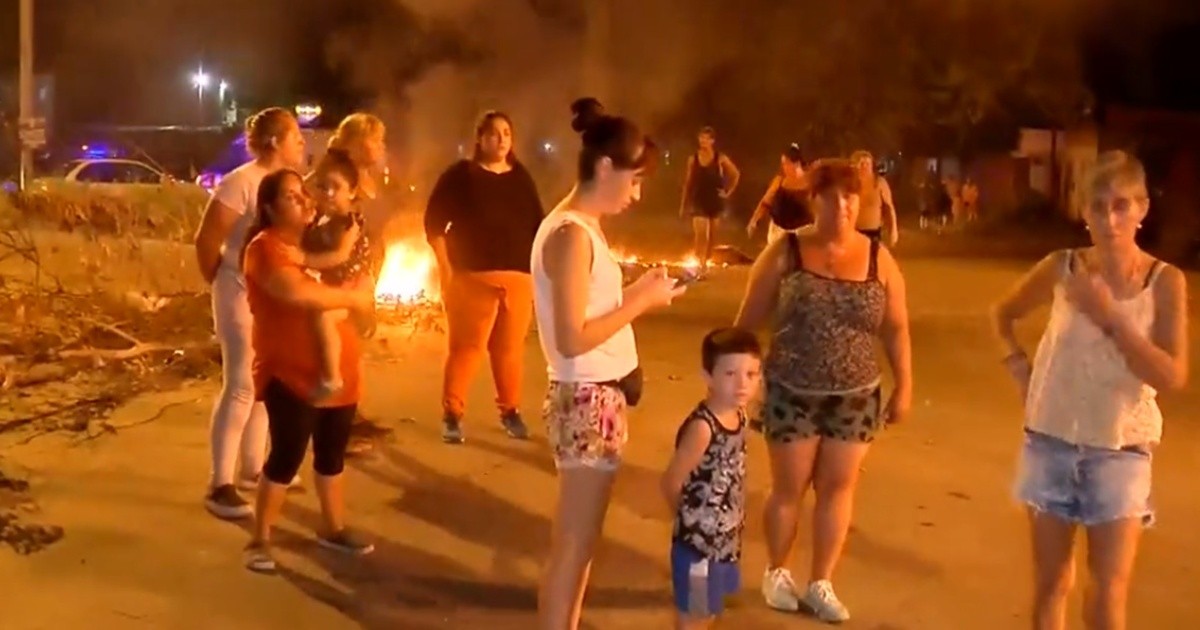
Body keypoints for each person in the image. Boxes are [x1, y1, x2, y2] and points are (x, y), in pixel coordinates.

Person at [990, 150, 1189, 630]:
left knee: (1108, 592)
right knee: (1051, 583)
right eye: (1098, 206)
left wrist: (1110, 318)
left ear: (1142, 208)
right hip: (1050, 440)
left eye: (1122, 205)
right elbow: (1002, 315)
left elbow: (1171, 376)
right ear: (1083, 212)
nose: (1109, 218)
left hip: (1119, 450)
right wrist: (1018, 367)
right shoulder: (1062, 268)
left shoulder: (1164, 282)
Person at [733, 158, 912, 622]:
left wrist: (904, 386)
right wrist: (740, 382)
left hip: (855, 394)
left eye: (852, 196)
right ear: (813, 200)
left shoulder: (878, 258)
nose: (843, 206)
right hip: (792, 388)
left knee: (838, 488)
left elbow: (896, 328)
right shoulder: (786, 252)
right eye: (831, 196)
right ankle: (777, 572)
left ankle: (821, 581)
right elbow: (747, 322)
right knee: (789, 488)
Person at [533, 97, 685, 630]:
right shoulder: (571, 234)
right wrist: (642, 299)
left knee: (581, 546)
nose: (637, 193)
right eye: (635, 179)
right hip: (586, 399)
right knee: (574, 547)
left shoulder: (580, 228)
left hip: (595, 399)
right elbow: (572, 338)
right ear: (604, 168)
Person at [239, 169, 377, 573]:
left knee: (332, 455)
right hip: (291, 373)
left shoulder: (319, 238)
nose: (302, 200)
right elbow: (297, 293)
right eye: (290, 196)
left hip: (341, 371)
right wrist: (352, 299)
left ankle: (333, 529)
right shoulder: (265, 248)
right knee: (286, 455)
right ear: (269, 207)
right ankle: (260, 538)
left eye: (303, 193)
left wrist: (359, 296)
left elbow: (362, 275)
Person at [193, 108, 306, 519]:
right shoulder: (240, 183)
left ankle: (253, 469)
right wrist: (223, 282)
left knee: (265, 381)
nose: (302, 143)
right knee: (241, 383)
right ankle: (219, 484)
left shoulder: (288, 185)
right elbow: (207, 240)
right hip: (238, 291)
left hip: (269, 297)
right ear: (274, 141)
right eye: (296, 136)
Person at [424, 110, 546, 444]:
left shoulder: (521, 178)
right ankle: (452, 413)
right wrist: (445, 265)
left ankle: (510, 411)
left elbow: (539, 225)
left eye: (507, 132)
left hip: (518, 280)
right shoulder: (461, 176)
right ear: (480, 138)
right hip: (473, 277)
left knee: (509, 351)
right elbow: (435, 223)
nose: (501, 139)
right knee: (467, 348)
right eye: (493, 133)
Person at [660, 328, 762, 630]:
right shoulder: (703, 428)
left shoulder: (739, 415)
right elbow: (671, 481)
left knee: (710, 611)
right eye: (730, 373)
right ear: (707, 376)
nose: (742, 383)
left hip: (725, 541)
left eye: (751, 374)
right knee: (694, 615)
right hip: (699, 545)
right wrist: (692, 527)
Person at [325, 113, 393, 456]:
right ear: (356, 140)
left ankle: (351, 413)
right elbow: (328, 220)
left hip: (358, 272)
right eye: (375, 140)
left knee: (351, 352)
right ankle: (339, 429)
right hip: (341, 275)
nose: (381, 147)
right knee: (341, 353)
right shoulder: (335, 174)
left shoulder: (357, 173)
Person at [299, 149, 371, 400]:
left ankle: (331, 377)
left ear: (352, 192)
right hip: (330, 285)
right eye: (323, 186)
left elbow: (339, 256)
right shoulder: (320, 217)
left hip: (349, 289)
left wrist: (304, 260)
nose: (328, 193)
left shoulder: (349, 223)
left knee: (323, 317)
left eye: (336, 187)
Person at [680, 126, 740, 267]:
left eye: (707, 138)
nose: (703, 141)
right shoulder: (693, 159)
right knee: (701, 235)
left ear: (712, 141)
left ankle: (704, 263)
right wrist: (684, 204)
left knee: (712, 238)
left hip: (715, 200)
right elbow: (688, 183)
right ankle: (699, 264)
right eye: (701, 138)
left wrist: (728, 192)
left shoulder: (720, 158)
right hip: (698, 200)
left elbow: (735, 174)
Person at [746, 143, 812, 243]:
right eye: (783, 163)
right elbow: (765, 202)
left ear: (796, 163)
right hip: (777, 232)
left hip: (800, 234)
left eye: (786, 163)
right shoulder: (780, 181)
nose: (784, 167)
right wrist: (754, 220)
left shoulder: (809, 183)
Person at [849, 150, 898, 246]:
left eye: (867, 163)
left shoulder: (880, 183)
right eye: (861, 163)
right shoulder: (848, 184)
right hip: (852, 233)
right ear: (854, 165)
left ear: (872, 165)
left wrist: (893, 230)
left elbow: (889, 207)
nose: (864, 166)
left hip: (873, 233)